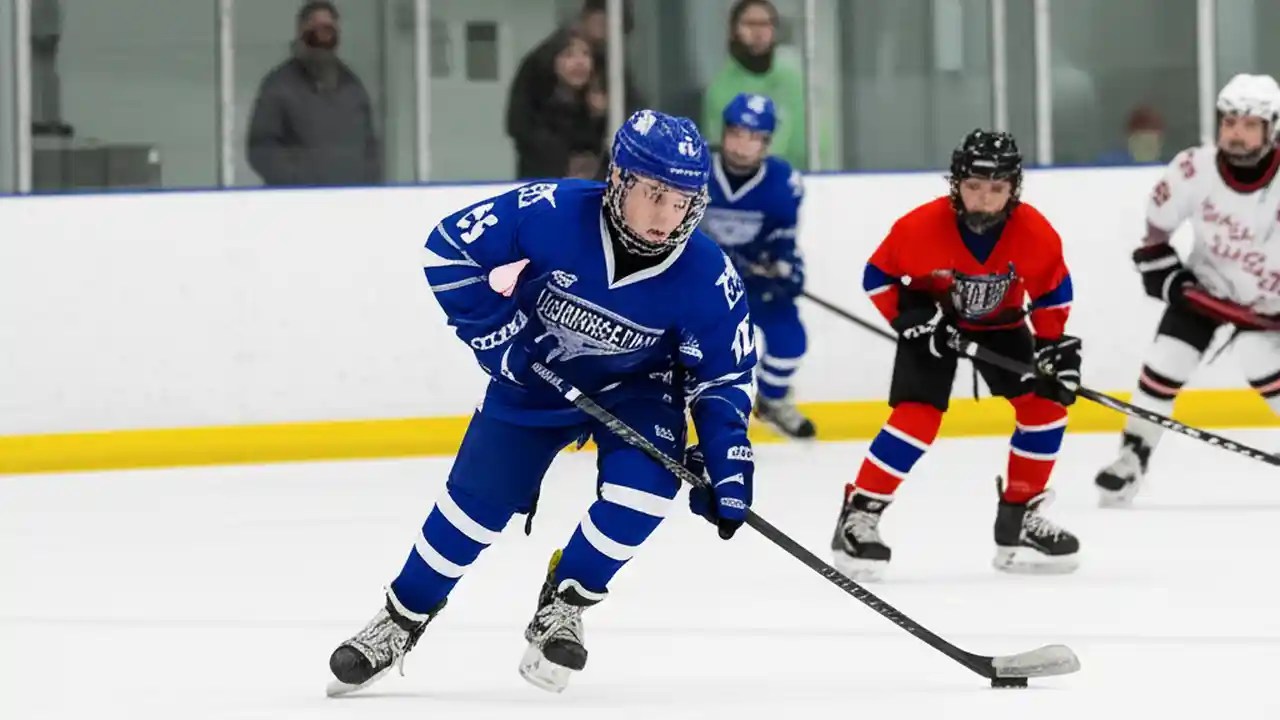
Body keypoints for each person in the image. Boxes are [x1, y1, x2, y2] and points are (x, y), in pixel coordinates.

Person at [326, 110, 757, 696]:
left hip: (638, 388)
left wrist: (726, 456)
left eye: (680, 200)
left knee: (643, 493)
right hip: (534, 371)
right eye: (654, 194)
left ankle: (566, 600)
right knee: (472, 509)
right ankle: (402, 617)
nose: (665, 216)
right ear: (621, 181)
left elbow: (726, 376)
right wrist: (499, 339)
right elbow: (448, 248)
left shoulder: (708, 275)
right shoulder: (551, 210)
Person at [830, 129, 1081, 581]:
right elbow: (877, 277)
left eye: (997, 189)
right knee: (916, 419)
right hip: (933, 328)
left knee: (1045, 409)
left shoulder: (1034, 233)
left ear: (1013, 190)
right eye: (974, 187)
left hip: (1002, 327)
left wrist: (1049, 348)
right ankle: (858, 516)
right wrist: (911, 319)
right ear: (957, 183)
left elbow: (1052, 292)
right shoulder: (920, 227)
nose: (985, 199)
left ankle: (1019, 518)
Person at [1095, 74, 1280, 506]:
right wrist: (1172, 282)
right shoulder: (1193, 169)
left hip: (1268, 306)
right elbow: (1155, 240)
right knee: (1166, 360)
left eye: (1249, 124)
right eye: (1230, 121)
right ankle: (1131, 458)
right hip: (1209, 292)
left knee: (1259, 359)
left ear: (1272, 129)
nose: (1236, 132)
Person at [700, 93, 814, 438]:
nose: (742, 144)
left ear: (766, 143)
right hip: (700, 282)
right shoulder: (697, 167)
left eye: (753, 137)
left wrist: (784, 268)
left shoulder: (782, 183)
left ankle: (772, 399)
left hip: (754, 284)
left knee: (790, 340)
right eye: (736, 133)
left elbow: (783, 239)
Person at [246, 1, 381, 187]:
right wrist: (297, 183)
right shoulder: (279, 86)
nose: (323, 39)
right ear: (301, 33)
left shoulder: (352, 86)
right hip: (297, 204)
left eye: (329, 31)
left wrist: (368, 185)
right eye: (315, 32)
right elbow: (261, 148)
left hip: (351, 203)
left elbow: (371, 147)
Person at [702, 0, 808, 170]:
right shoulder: (720, 89)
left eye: (765, 24)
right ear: (733, 30)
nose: (758, 32)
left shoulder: (795, 79)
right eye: (750, 24)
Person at [505, 29, 608, 180]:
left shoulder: (599, 99)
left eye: (586, 54)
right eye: (569, 55)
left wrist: (598, 117)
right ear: (553, 60)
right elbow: (521, 129)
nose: (579, 62)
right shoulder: (534, 99)